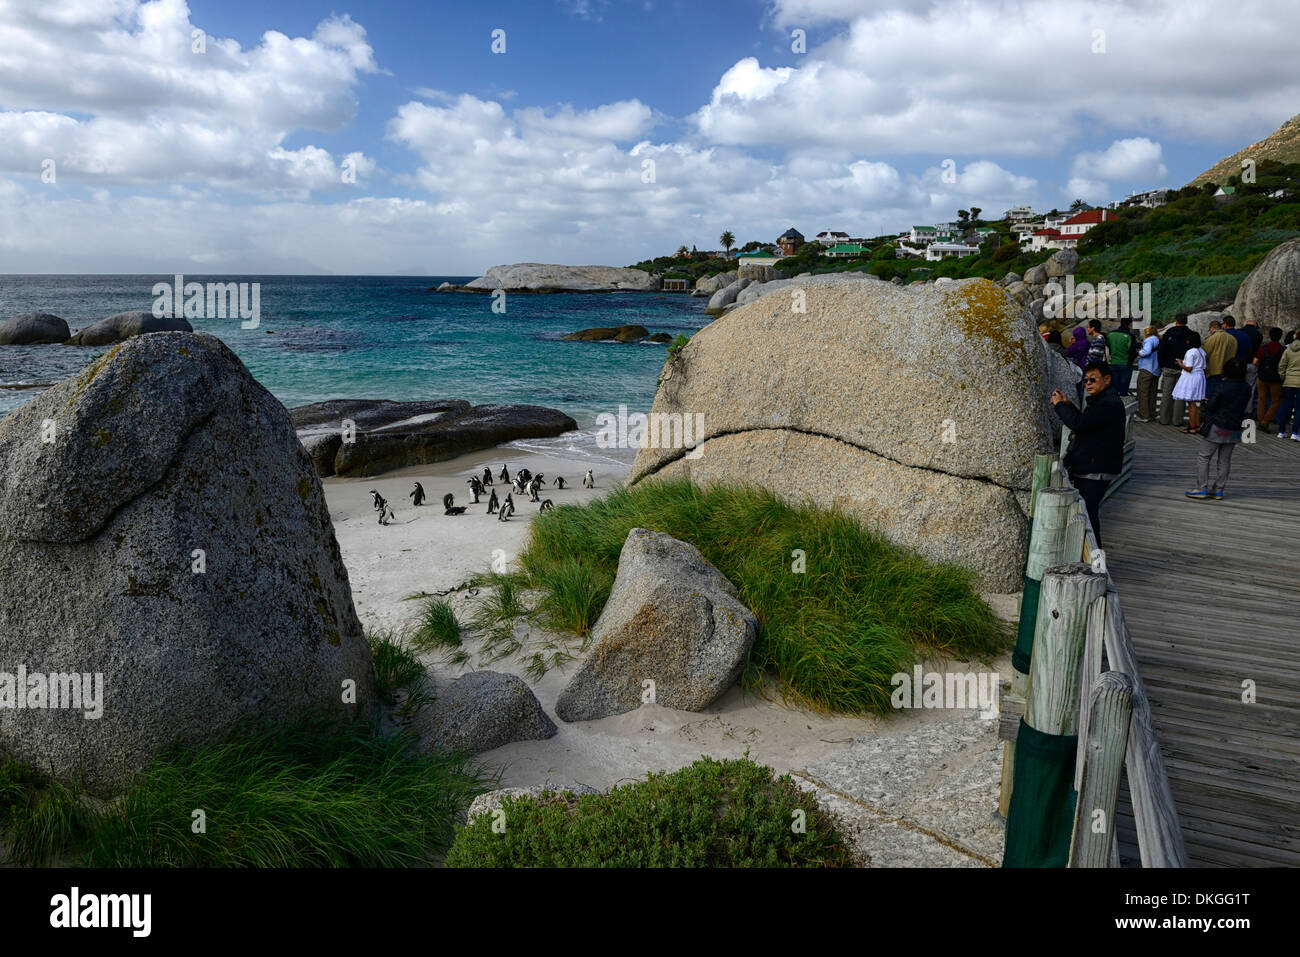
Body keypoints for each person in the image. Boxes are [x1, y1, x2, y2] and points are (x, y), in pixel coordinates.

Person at [1050, 360, 1125, 546]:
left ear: (1107, 379)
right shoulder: (1104, 401)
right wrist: (1068, 405)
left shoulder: (1108, 404)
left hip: (1096, 469)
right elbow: (1087, 423)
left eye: (1093, 379)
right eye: (1085, 381)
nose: (1088, 384)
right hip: (1096, 466)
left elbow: (1079, 425)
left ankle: (1097, 565)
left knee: (1088, 519)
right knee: (1087, 516)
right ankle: (1094, 564)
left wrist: (1059, 406)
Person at [1185, 358, 1251, 500]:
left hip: (1218, 425)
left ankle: (1201, 488)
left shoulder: (1222, 385)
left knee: (1204, 456)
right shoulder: (1247, 387)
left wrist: (1206, 403)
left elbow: (1211, 406)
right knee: (1225, 460)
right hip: (1235, 427)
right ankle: (1218, 490)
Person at [1158, 313, 1193, 427]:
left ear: (1176, 321)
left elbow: (1161, 351)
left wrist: (1162, 364)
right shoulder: (1191, 335)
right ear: (1186, 321)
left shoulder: (1169, 333)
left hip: (1168, 366)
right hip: (1184, 369)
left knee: (1166, 394)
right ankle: (1177, 420)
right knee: (1180, 395)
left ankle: (1164, 419)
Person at [1173, 330, 1207, 434]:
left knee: (1191, 403)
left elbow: (1189, 368)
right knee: (1193, 403)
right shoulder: (1201, 351)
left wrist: (1179, 363)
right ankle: (1196, 426)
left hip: (1191, 377)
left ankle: (1192, 427)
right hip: (1200, 376)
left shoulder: (1191, 351)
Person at [1253, 326, 1285, 432]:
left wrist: (1261, 368)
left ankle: (1261, 420)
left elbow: (1255, 362)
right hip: (1276, 379)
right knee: (1276, 400)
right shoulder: (1282, 350)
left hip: (1262, 377)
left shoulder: (1264, 348)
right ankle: (1266, 421)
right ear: (1280, 337)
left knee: (1262, 399)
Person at [1203, 319, 1236, 402]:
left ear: (1213, 327)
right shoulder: (1232, 339)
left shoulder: (1211, 338)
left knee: (1211, 396)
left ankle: (1209, 413)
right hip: (1228, 372)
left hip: (1213, 371)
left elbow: (1204, 354)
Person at [1275, 332, 1300, 440]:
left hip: (1288, 381)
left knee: (1285, 406)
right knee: (1298, 408)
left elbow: (1281, 365)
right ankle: (1295, 432)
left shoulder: (1288, 349)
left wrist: (1283, 377)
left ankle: (1281, 431)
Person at [1135, 324, 1161, 421]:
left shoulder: (1149, 340)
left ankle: (1144, 415)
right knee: (1152, 392)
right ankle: (1152, 413)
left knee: (1143, 392)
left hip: (1147, 368)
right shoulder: (1158, 340)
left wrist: (1139, 352)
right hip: (1156, 369)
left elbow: (1146, 352)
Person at [1105, 317, 1137, 396]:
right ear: (1130, 325)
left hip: (1113, 364)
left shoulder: (1110, 334)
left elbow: (1106, 348)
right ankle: (1123, 405)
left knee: (1113, 388)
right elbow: (1132, 351)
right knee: (1123, 390)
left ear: (1120, 323)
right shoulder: (1130, 336)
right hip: (1126, 364)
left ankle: (1113, 405)